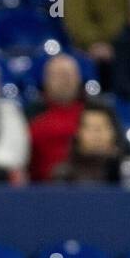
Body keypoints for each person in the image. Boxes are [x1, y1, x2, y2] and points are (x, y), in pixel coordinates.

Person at [27, 53, 84, 182]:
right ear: (46, 80)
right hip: (38, 189)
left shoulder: (96, 111)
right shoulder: (30, 114)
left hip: (90, 187)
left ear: (79, 79)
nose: (65, 81)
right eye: (58, 76)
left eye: (69, 75)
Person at [52, 103, 130, 184]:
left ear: (115, 133)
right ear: (78, 134)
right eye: (89, 127)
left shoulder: (129, 172)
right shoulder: (64, 175)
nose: (96, 133)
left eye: (103, 126)